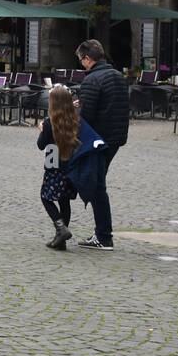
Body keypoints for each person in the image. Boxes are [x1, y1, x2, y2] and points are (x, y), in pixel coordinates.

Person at [72, 39, 129, 251]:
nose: (81, 64)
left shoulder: (92, 80)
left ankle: (104, 236)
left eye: (81, 60)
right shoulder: (117, 75)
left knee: (96, 186)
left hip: (99, 139)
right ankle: (103, 234)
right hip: (116, 137)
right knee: (98, 183)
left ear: (88, 58)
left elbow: (86, 116)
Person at [37, 85, 107, 251]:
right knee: (64, 200)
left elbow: (41, 145)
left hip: (53, 164)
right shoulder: (77, 121)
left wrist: (42, 130)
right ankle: (61, 240)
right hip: (71, 165)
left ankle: (61, 229)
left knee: (46, 197)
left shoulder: (49, 123)